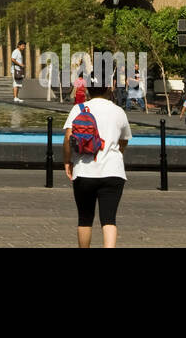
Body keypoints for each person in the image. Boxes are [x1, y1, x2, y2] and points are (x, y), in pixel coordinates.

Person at [63, 83, 132, 248]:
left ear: (88, 90)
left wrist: (67, 161)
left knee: (85, 219)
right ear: (108, 89)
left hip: (84, 170)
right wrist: (116, 155)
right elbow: (124, 140)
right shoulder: (118, 111)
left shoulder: (79, 109)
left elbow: (67, 138)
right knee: (109, 220)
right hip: (113, 171)